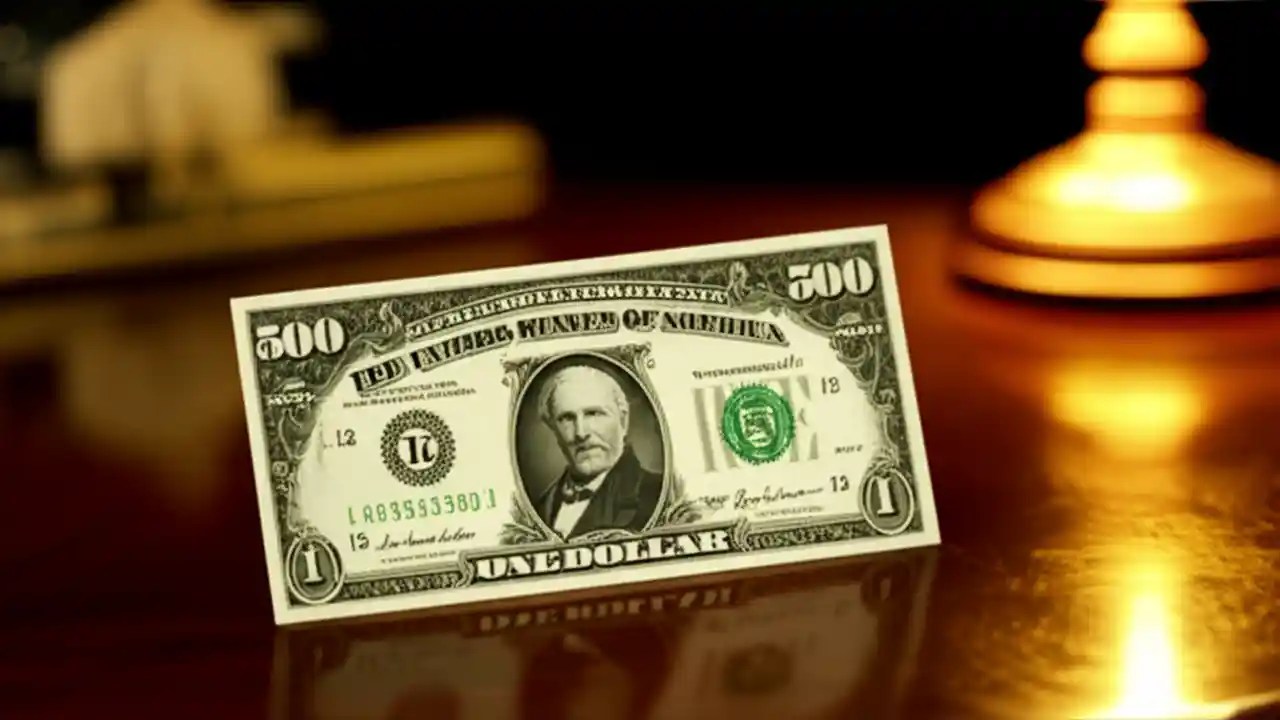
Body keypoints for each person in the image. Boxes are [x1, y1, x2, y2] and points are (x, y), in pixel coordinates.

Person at [532, 364, 662, 539]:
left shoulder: (656, 495)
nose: (581, 432)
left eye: (593, 414)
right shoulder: (538, 509)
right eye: (567, 418)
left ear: (623, 420)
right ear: (553, 428)